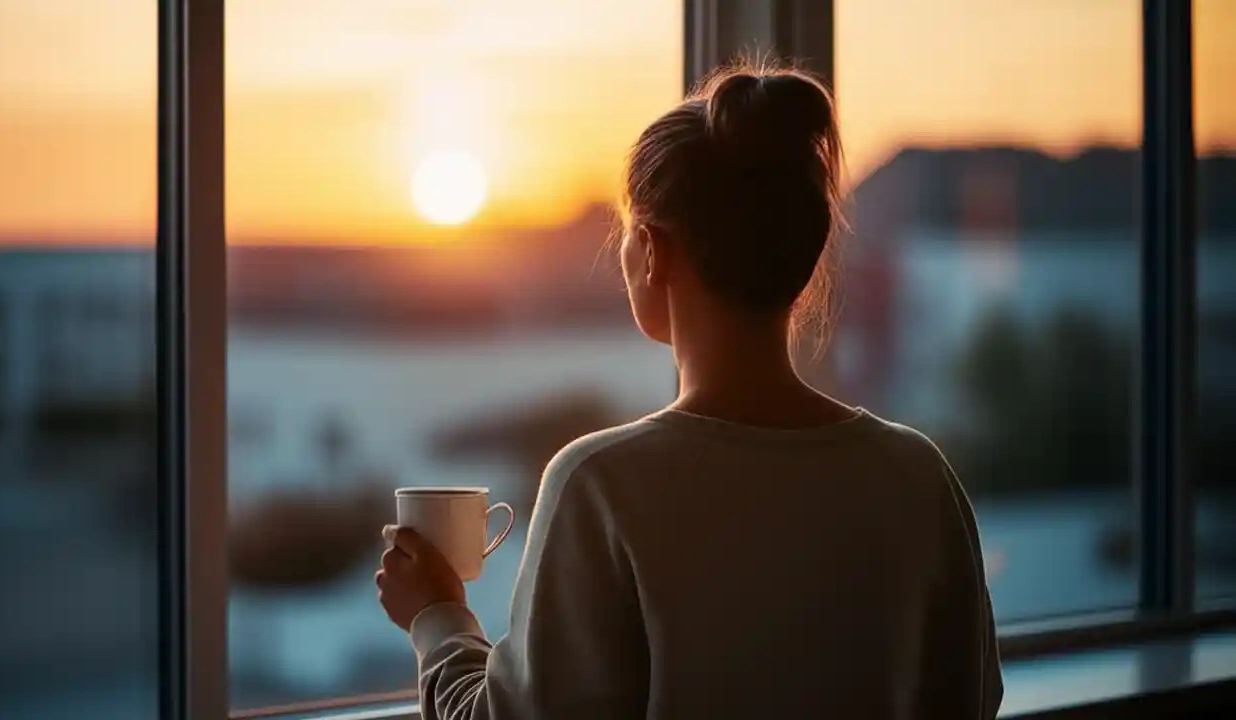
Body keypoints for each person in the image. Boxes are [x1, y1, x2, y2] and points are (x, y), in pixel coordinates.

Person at [375, 64, 1003, 719]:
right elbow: (970, 700)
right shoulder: (920, 478)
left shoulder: (604, 485)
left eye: (625, 234)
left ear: (650, 250)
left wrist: (437, 618)